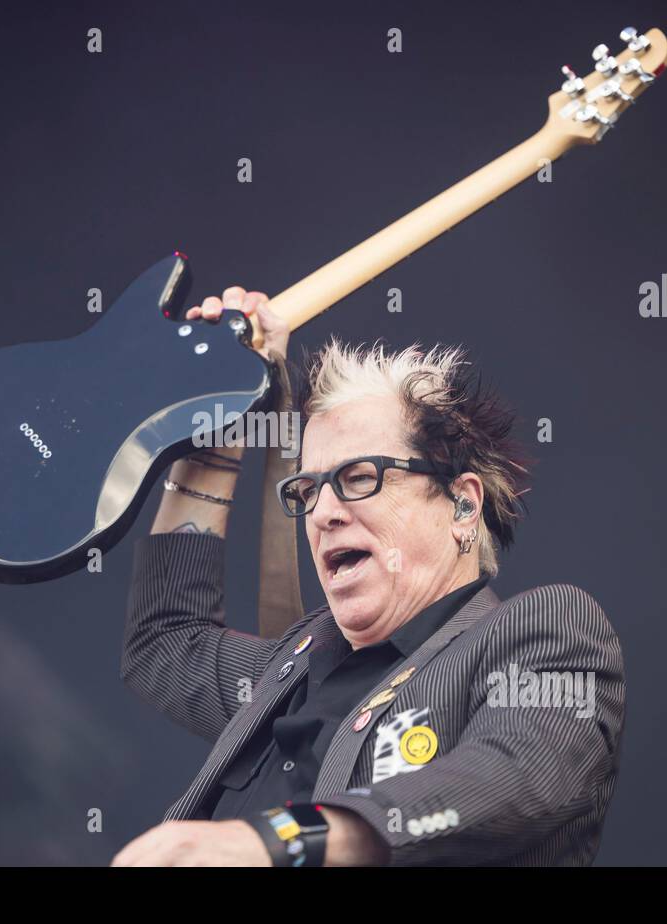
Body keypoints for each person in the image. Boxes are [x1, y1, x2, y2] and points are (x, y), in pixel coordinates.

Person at [113, 286, 624, 866]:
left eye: (359, 477)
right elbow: (164, 639)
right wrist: (216, 427)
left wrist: (277, 844)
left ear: (462, 505)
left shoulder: (542, 632)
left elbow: (519, 773)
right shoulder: (292, 666)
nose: (325, 512)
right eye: (308, 489)